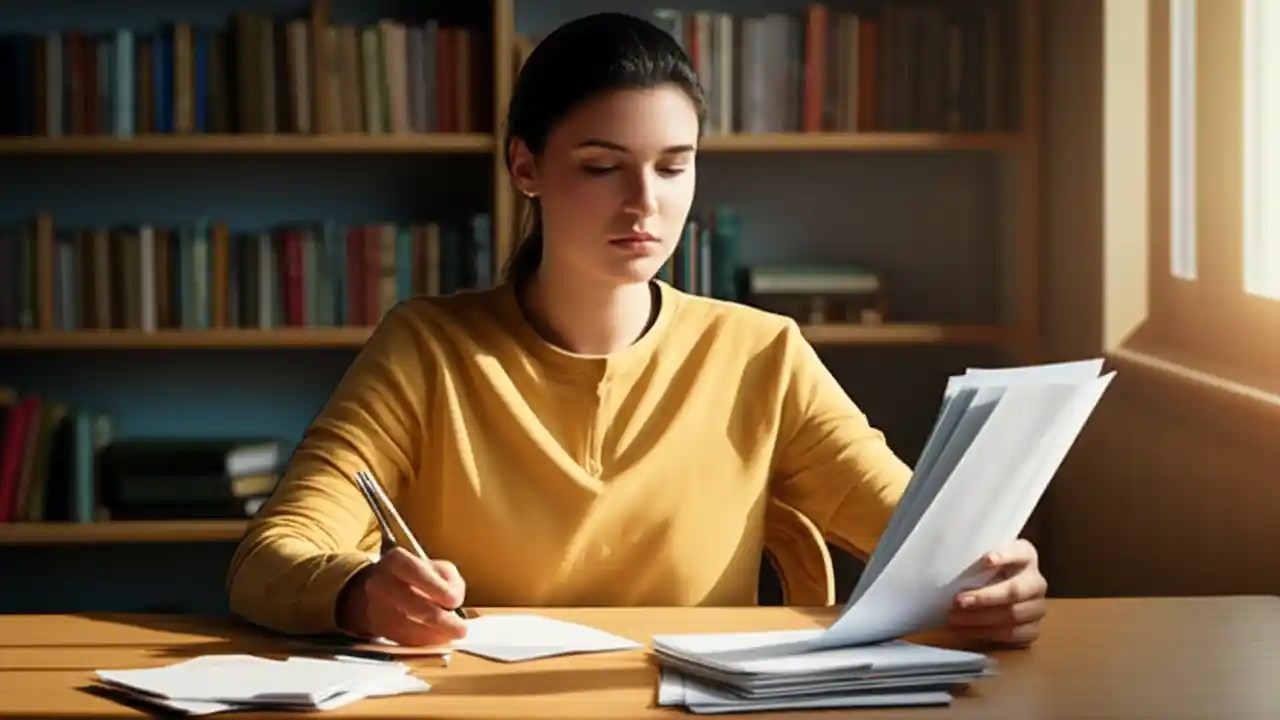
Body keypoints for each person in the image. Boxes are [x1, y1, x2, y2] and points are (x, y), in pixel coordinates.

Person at [226, 11, 1047, 650]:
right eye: (601, 166)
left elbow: (920, 536)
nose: (645, 203)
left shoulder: (759, 354)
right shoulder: (427, 350)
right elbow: (271, 556)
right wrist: (358, 593)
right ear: (524, 167)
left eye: (673, 165)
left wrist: (989, 577)